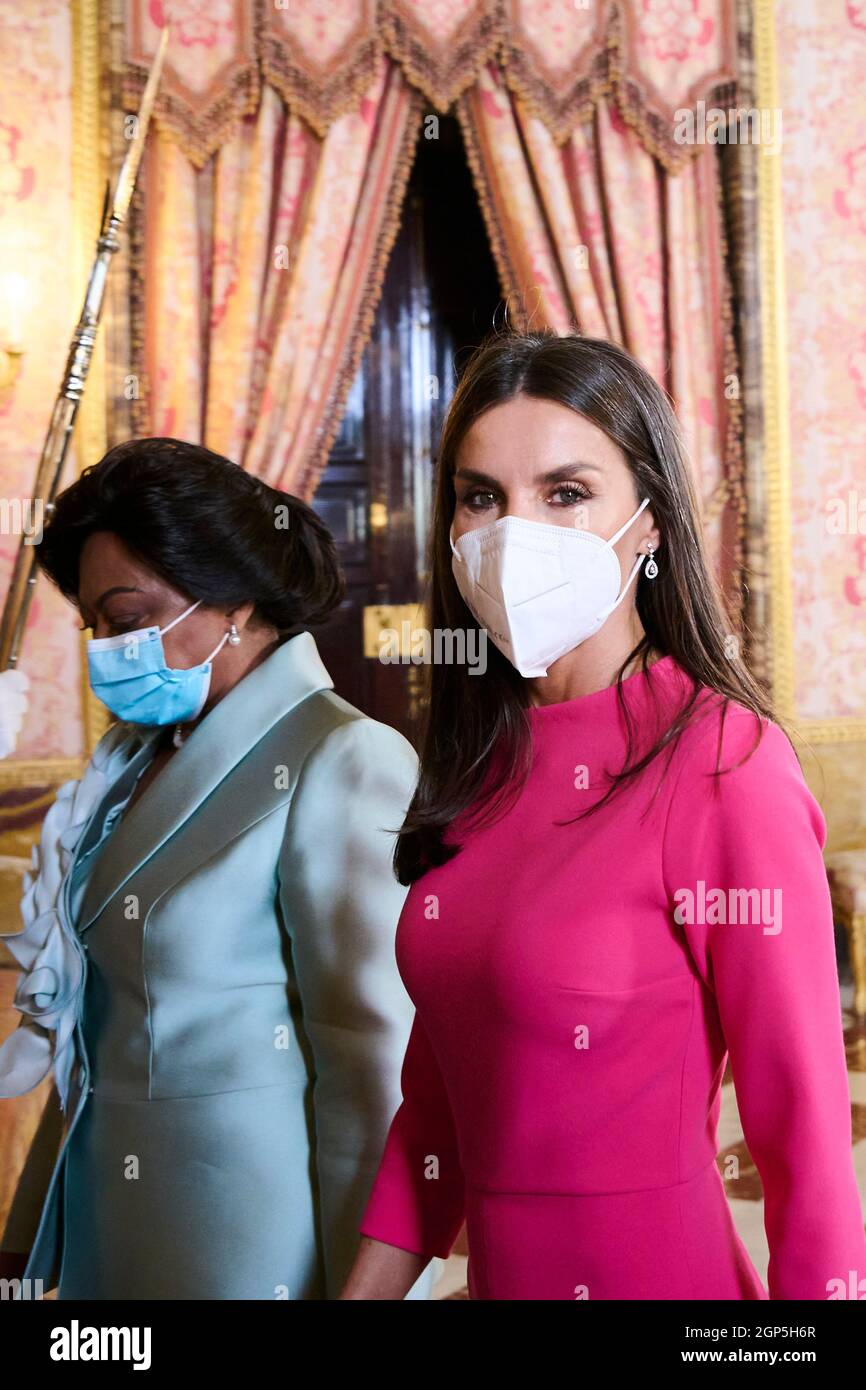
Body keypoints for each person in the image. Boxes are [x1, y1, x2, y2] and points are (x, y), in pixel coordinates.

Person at [341, 330, 866, 1301]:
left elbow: (803, 1135)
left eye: (565, 492)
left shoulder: (722, 763)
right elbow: (434, 1121)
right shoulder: (478, 763)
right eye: (481, 496)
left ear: (651, 522)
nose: (513, 532)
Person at [0, 437, 432, 1300]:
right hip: (111, 1237)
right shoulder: (126, 767)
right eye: (95, 626)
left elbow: (374, 1074)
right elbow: (94, 1031)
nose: (106, 650)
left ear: (231, 596)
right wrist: (24, 1238)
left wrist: (375, 1293)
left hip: (249, 1244)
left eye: (126, 619)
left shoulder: (344, 758)